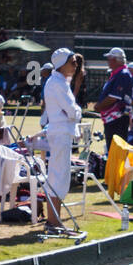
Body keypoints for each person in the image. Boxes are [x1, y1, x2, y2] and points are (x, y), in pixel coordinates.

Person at [40, 48, 83, 228]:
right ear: (62, 64)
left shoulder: (58, 81)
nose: (75, 66)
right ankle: (53, 221)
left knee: (60, 176)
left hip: (60, 132)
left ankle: (54, 219)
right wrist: (77, 111)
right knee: (58, 176)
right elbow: (73, 111)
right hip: (60, 133)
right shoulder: (58, 83)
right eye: (72, 62)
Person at [95, 47, 133, 156]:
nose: (108, 61)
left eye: (109, 58)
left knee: (116, 147)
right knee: (113, 147)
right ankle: (115, 170)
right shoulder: (118, 73)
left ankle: (118, 172)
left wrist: (99, 106)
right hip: (114, 117)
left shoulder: (122, 74)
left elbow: (114, 97)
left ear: (116, 60)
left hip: (117, 118)